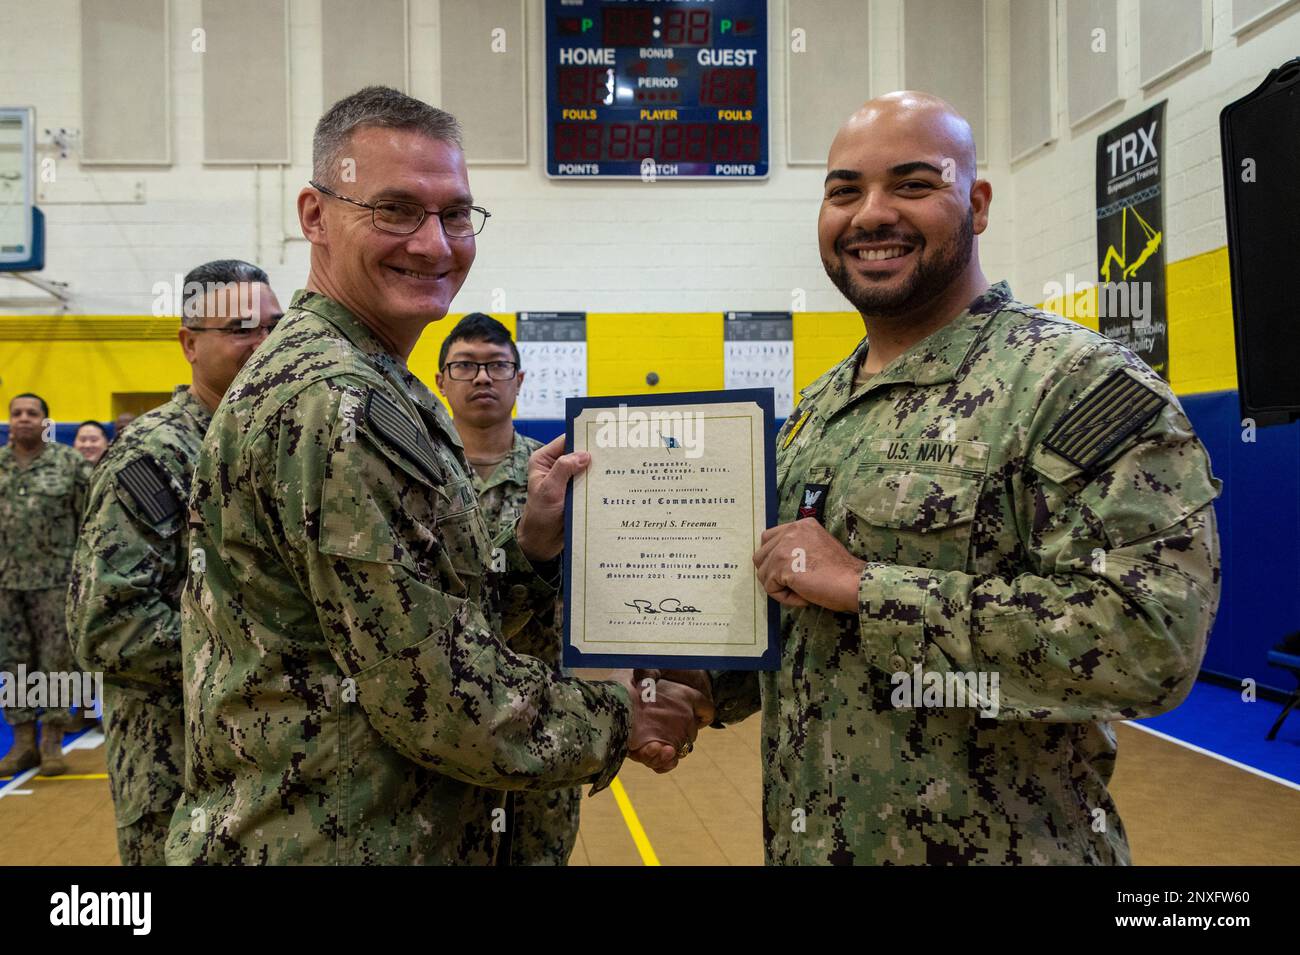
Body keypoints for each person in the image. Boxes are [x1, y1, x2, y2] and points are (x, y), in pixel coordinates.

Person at [652, 92, 1222, 865]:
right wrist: (696, 689)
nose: (871, 215)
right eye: (844, 190)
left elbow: (1148, 641)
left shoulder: (1078, 387)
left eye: (913, 185)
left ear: (976, 204)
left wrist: (866, 586)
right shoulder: (819, 410)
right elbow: (807, 628)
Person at [166, 86, 708, 865]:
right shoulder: (337, 399)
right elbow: (441, 700)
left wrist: (528, 554)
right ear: (315, 215)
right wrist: (623, 713)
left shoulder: (374, 381)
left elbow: (422, 610)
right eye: (394, 210)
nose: (433, 243)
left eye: (455, 214)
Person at [67, 260, 282, 866]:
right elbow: (107, 627)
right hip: (176, 774)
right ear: (189, 342)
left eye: (275, 325)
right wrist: (255, 655)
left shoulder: (270, 443)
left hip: (262, 768)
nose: (264, 343)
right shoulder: (157, 454)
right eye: (242, 328)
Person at [436, 313, 580, 866]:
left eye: (497, 366)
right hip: (447, 728)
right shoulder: (418, 477)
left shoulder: (560, 478)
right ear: (441, 381)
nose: (482, 378)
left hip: (542, 722)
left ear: (519, 381)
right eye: (465, 365)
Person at [0, 394, 91, 777]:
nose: (23, 419)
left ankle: (52, 743)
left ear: (45, 421)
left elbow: (88, 519)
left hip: (56, 580)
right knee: (13, 662)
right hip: (5, 582)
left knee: (55, 663)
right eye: (16, 413)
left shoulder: (68, 463)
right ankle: (23, 744)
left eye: (31, 413)